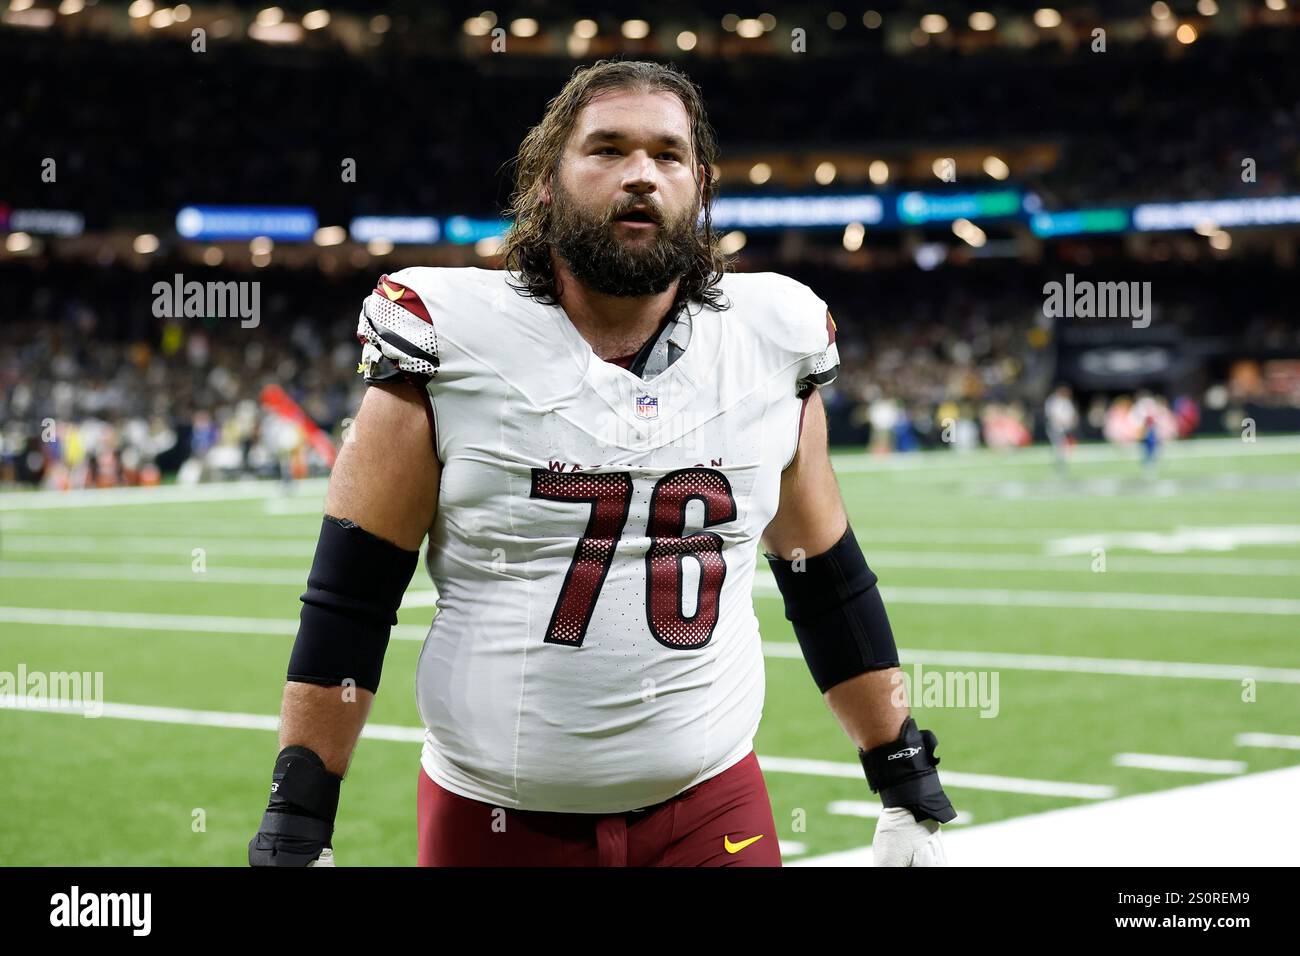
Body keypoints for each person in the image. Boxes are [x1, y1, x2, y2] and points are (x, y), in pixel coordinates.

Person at [248, 60, 954, 868]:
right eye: (608, 150)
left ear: (701, 185)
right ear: (545, 181)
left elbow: (826, 580)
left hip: (712, 804)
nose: (641, 176)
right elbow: (353, 597)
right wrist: (299, 813)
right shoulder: (450, 340)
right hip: (500, 819)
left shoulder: (772, 338)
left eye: (668, 154)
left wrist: (902, 771)